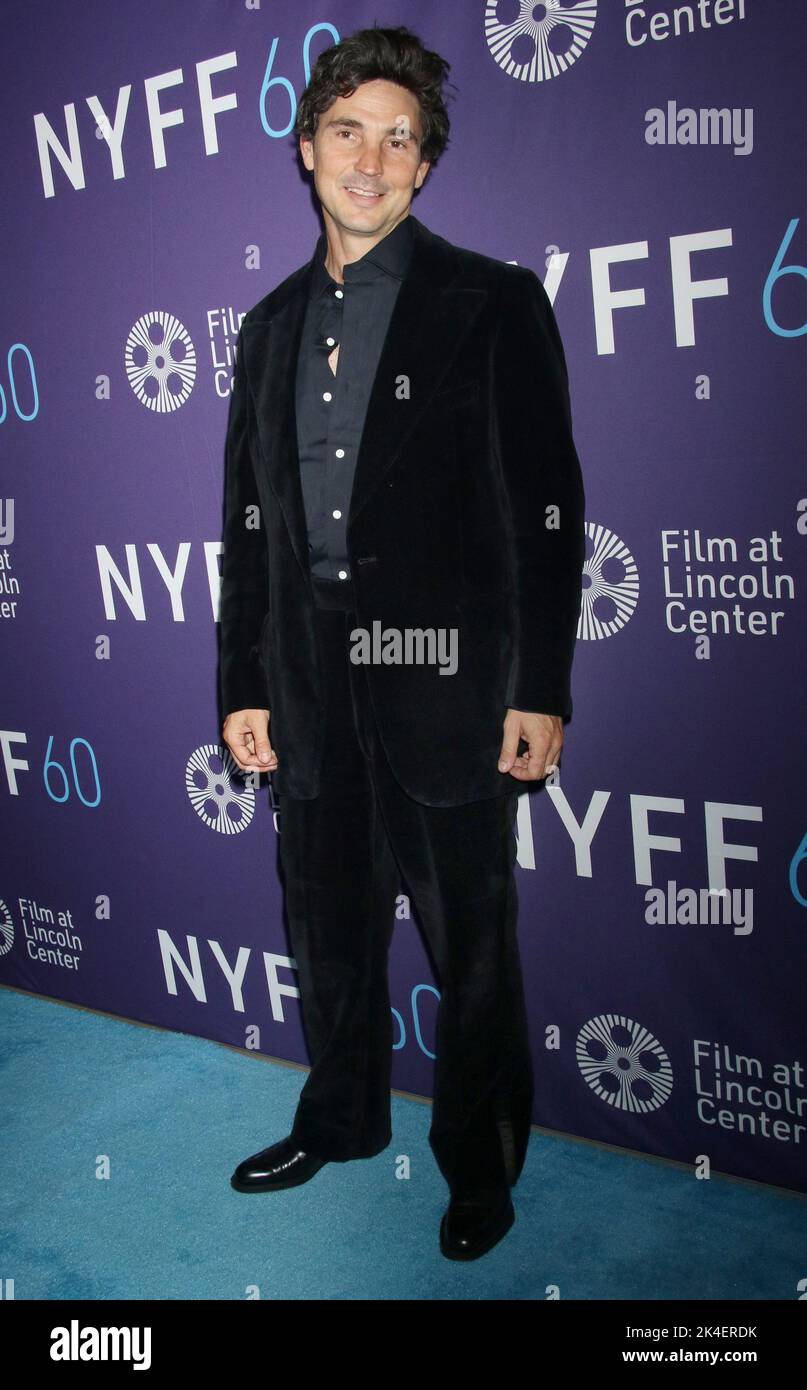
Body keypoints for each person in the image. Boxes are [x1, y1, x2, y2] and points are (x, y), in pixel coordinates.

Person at [218, 24, 585, 1261]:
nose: (368, 160)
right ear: (304, 148)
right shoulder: (265, 330)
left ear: (423, 166)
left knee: (472, 950)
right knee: (322, 932)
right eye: (346, 133)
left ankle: (479, 1170)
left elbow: (547, 508)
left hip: (449, 688)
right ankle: (340, 1117)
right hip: (311, 690)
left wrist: (539, 686)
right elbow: (247, 531)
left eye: (397, 139)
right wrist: (245, 683)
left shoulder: (491, 300)